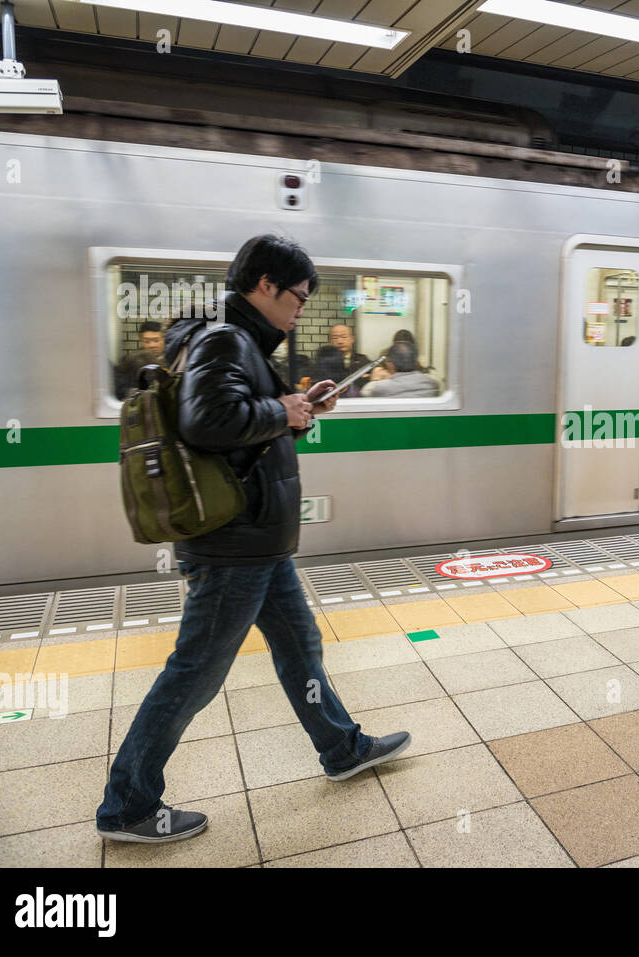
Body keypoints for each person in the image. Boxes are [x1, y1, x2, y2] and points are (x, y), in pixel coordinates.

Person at [96, 235, 411, 844]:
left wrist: (298, 406)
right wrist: (283, 412)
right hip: (231, 544)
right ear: (264, 285)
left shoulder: (235, 340)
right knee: (197, 672)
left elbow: (240, 425)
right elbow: (207, 422)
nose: (301, 309)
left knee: (300, 646)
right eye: (297, 296)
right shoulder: (224, 339)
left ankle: (341, 747)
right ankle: (127, 805)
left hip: (257, 541)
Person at [360, 340, 441, 397]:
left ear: (390, 365)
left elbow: (364, 393)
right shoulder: (431, 383)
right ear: (416, 361)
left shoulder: (381, 387)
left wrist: (375, 379)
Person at [113, 321, 166, 399]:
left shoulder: (172, 361)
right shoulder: (129, 361)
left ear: (164, 340)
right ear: (141, 341)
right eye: (147, 341)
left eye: (156, 340)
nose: (152, 345)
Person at [328, 324, 372, 395]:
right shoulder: (324, 362)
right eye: (335, 338)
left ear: (352, 339)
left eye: (344, 337)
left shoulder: (362, 360)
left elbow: (372, 377)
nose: (340, 341)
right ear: (330, 341)